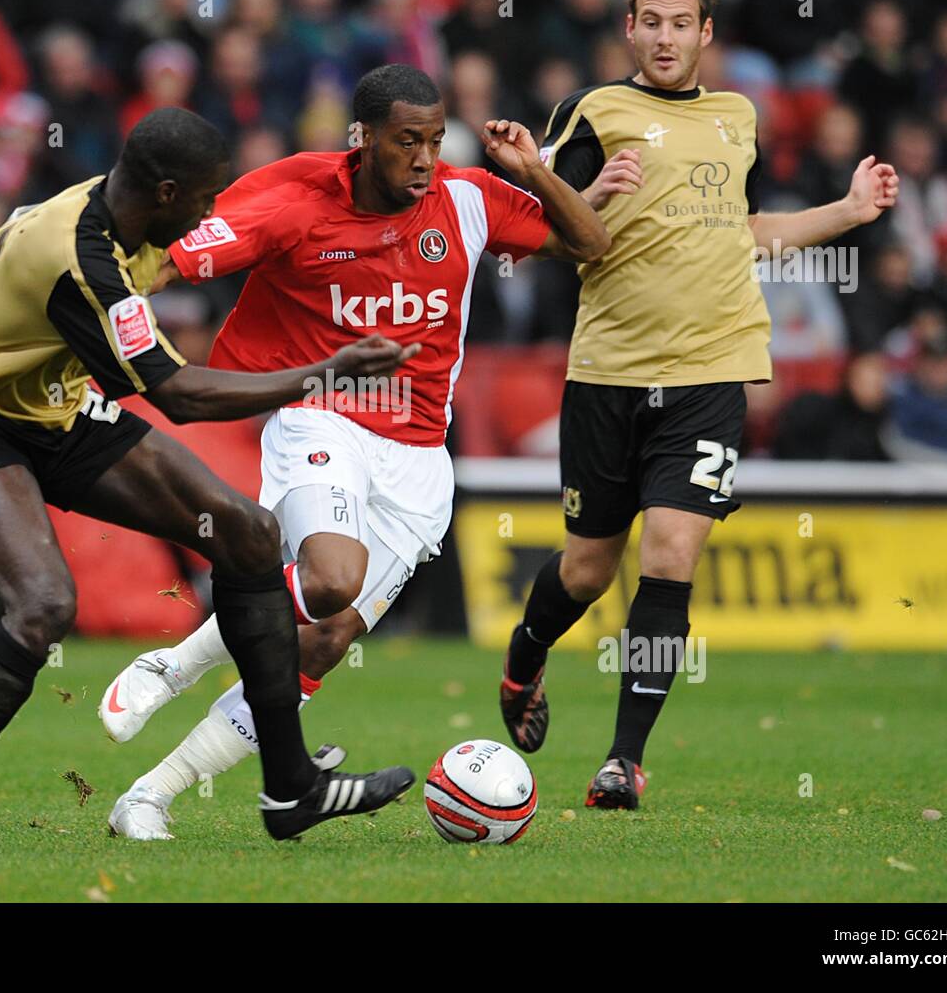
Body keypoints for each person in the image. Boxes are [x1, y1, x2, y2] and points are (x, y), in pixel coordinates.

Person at [0, 107, 418, 855]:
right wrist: (326, 374)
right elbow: (180, 397)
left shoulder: (121, 217)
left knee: (248, 534)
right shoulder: (82, 258)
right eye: (203, 197)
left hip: (54, 405)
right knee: (43, 606)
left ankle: (290, 785)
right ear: (165, 192)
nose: (209, 212)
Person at [99, 63, 609, 840]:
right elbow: (168, 260)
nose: (423, 159)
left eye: (436, 141)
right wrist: (92, 314)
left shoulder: (468, 199)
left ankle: (148, 795)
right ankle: (173, 664)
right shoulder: (295, 198)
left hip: (419, 456)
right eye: (407, 141)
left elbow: (590, 242)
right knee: (333, 581)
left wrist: (535, 169)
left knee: (325, 639)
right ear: (363, 139)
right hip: (318, 416)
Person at [500, 0, 898, 809]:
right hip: (609, 372)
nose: (666, 37)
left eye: (683, 23)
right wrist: (588, 190)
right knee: (586, 570)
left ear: (707, 33)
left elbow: (744, 229)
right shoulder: (594, 109)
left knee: (672, 555)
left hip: (712, 374)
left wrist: (849, 212)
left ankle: (623, 760)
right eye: (652, 21)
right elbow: (544, 236)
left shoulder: (737, 115)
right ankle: (523, 659)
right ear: (630, 28)